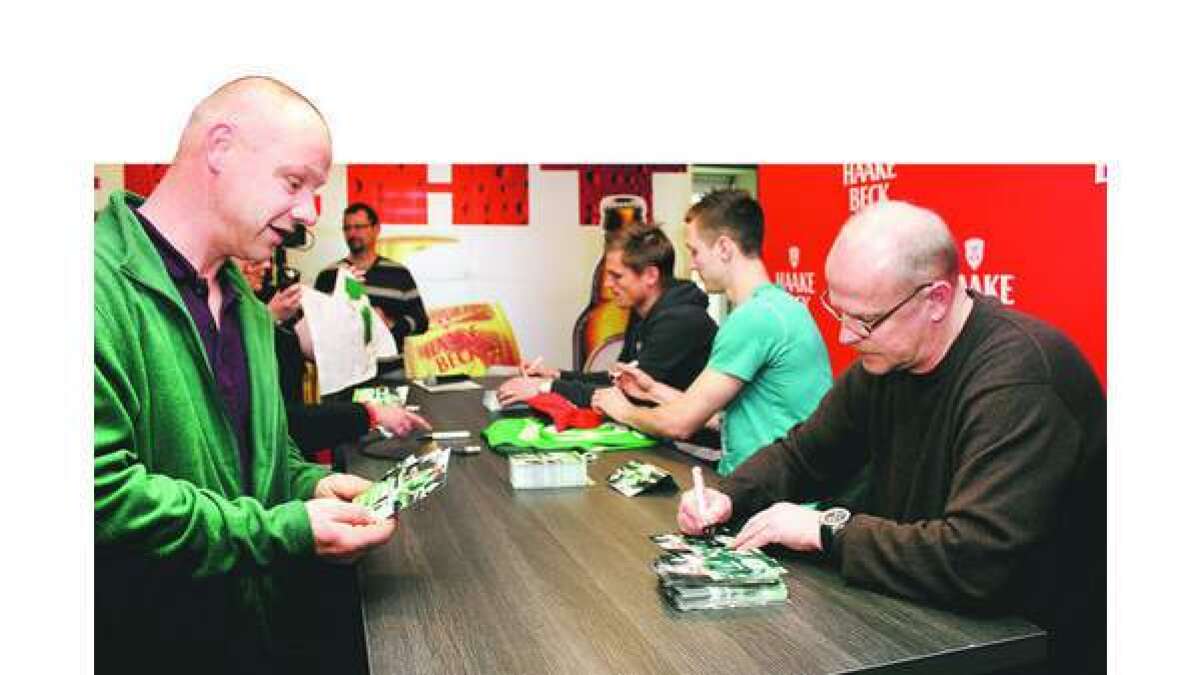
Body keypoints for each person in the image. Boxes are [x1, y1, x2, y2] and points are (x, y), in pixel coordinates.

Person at [677, 200, 1105, 673]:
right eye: (838, 311)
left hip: (1030, 644)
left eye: (865, 320)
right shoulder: (886, 362)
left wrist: (826, 531)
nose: (845, 337)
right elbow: (804, 454)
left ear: (936, 300)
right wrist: (728, 498)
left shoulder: (1019, 379)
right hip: (927, 621)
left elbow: (976, 560)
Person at [94, 76, 398, 674]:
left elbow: (263, 461)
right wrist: (283, 530)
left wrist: (308, 487)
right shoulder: (90, 287)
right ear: (220, 147)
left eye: (318, 191)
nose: (312, 214)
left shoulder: (249, 311)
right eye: (295, 182)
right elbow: (102, 498)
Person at [592, 189, 832, 475]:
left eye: (694, 251)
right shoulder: (776, 307)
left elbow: (680, 424)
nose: (692, 264)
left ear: (724, 248)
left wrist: (622, 410)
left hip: (774, 494)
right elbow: (723, 418)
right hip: (770, 481)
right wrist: (652, 390)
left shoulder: (753, 319)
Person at [496, 223, 717, 421]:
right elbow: (618, 381)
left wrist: (544, 387)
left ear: (650, 275)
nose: (608, 284)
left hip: (693, 449)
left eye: (617, 276)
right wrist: (557, 375)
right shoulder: (642, 309)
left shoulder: (680, 321)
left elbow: (626, 395)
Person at [234, 258, 431, 459]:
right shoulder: (250, 323)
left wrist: (346, 303)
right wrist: (372, 414)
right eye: (252, 260)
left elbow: (326, 348)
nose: (266, 266)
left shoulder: (270, 306)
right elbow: (287, 420)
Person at [315, 202, 429, 357]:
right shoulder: (329, 275)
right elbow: (317, 324)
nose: (352, 233)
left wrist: (390, 326)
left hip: (390, 368)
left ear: (376, 229)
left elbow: (421, 320)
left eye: (359, 227)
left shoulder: (399, 273)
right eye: (347, 228)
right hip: (344, 373)